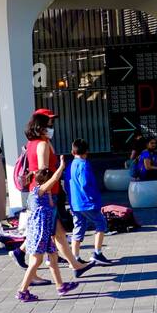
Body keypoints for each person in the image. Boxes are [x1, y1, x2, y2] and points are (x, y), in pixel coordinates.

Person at [11, 110, 95, 279]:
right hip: (46, 195)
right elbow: (43, 173)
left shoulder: (33, 143)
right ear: (40, 125)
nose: (51, 127)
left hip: (42, 195)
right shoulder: (42, 144)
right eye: (49, 123)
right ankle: (30, 278)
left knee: (58, 234)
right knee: (44, 238)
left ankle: (75, 265)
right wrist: (49, 195)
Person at [16, 152, 81, 303]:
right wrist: (62, 166)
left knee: (53, 257)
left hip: (46, 232)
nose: (54, 184)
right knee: (35, 262)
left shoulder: (47, 194)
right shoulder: (39, 191)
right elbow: (54, 178)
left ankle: (60, 286)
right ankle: (22, 291)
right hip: (39, 233)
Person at [66, 139, 115, 266]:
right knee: (101, 224)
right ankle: (97, 253)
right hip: (87, 202)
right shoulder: (84, 165)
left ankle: (75, 258)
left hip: (75, 203)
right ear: (87, 151)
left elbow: (67, 183)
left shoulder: (71, 165)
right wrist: (93, 198)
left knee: (78, 228)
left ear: (73, 151)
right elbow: (85, 183)